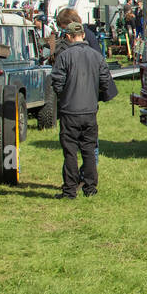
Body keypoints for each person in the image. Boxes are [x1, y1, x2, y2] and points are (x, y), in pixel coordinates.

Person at [49, 21, 118, 199]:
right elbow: (105, 82)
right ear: (83, 35)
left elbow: (57, 81)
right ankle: (90, 188)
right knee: (88, 150)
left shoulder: (64, 55)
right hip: (89, 112)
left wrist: (65, 96)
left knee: (70, 151)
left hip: (69, 111)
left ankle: (70, 190)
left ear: (69, 37)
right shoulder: (96, 56)